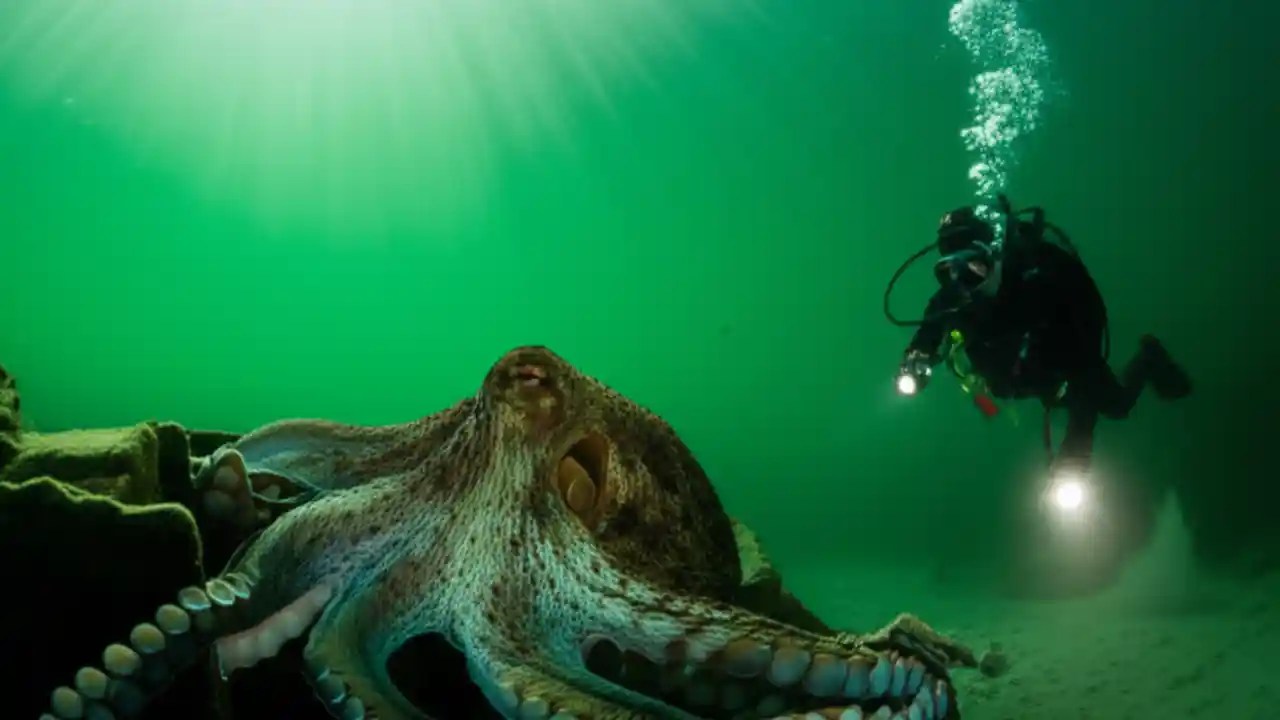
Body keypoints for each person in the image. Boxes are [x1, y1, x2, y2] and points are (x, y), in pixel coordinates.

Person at [892, 198, 1192, 478]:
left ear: (993, 257)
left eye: (973, 268)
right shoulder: (951, 299)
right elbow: (929, 330)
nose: (962, 284)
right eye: (948, 272)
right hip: (1018, 379)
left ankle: (1149, 357)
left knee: (1118, 406)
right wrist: (916, 358)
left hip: (1065, 366)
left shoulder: (1037, 283)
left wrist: (1076, 445)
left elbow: (1082, 365)